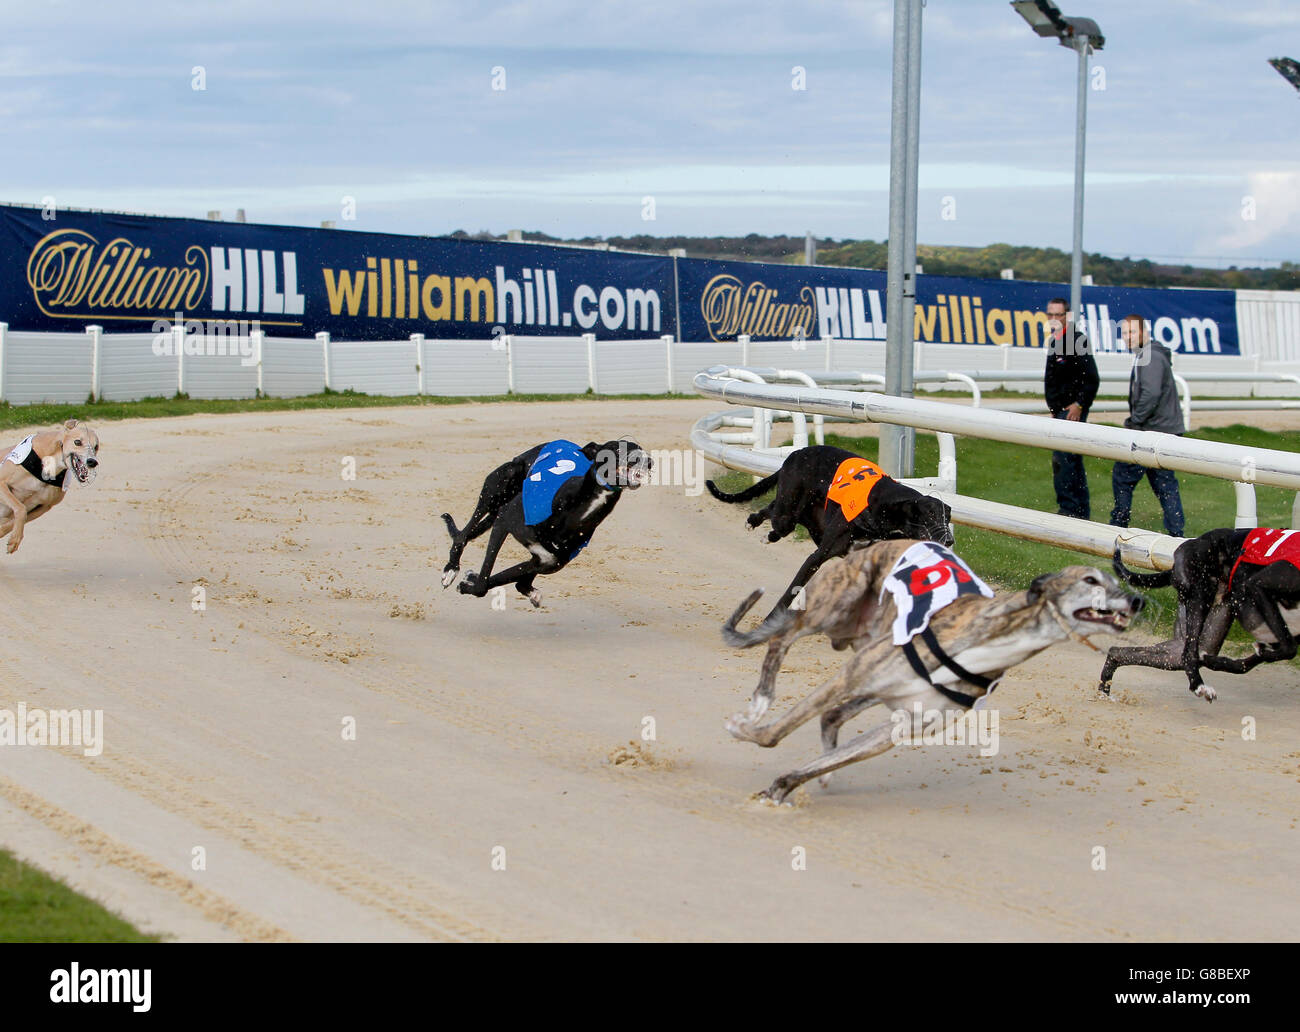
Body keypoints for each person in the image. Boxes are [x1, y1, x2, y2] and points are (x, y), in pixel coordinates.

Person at [1108, 313, 1186, 537]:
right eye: (1123, 333)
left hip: (1151, 431)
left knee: (1123, 476)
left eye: (1132, 332)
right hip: (1163, 429)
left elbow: (1151, 394)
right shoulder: (1150, 354)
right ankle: (1176, 533)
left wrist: (1135, 421)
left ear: (1144, 332)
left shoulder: (1150, 356)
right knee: (1164, 485)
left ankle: (1118, 525)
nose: (1127, 337)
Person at [1043, 297, 1099, 519]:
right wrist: (1053, 407)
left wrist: (1079, 404)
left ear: (1067, 316)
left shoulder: (1077, 340)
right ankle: (1077, 510)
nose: (1054, 319)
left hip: (1072, 411)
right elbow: (1053, 380)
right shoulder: (1055, 340)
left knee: (1065, 461)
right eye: (1050, 315)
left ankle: (1070, 510)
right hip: (1060, 411)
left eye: (1058, 315)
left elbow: (1092, 379)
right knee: (1068, 460)